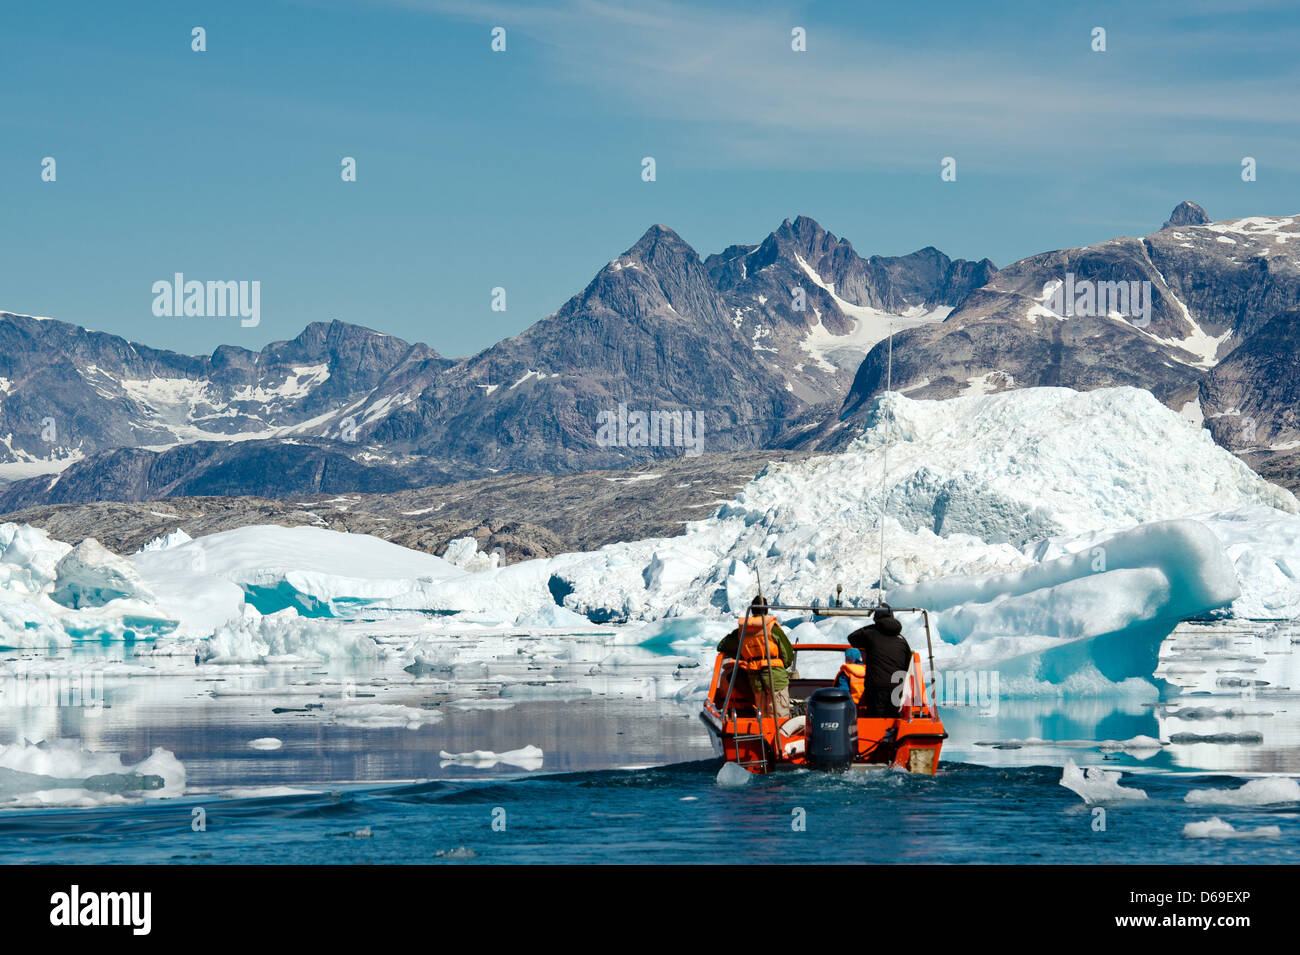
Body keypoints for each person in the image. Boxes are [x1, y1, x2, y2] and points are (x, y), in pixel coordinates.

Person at [716, 596, 794, 725]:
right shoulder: (772, 628)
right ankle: (779, 742)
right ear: (766, 610)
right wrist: (780, 665)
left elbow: (722, 645)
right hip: (776, 677)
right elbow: (788, 655)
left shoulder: (742, 631)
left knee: (763, 717)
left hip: (755, 678)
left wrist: (744, 653)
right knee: (780, 718)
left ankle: (764, 742)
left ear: (752, 611)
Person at [847, 605, 913, 717]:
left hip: (876, 686)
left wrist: (873, 627)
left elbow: (852, 638)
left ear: (876, 618)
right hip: (896, 687)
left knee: (875, 719)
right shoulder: (901, 639)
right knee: (892, 719)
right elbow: (908, 661)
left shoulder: (870, 633)